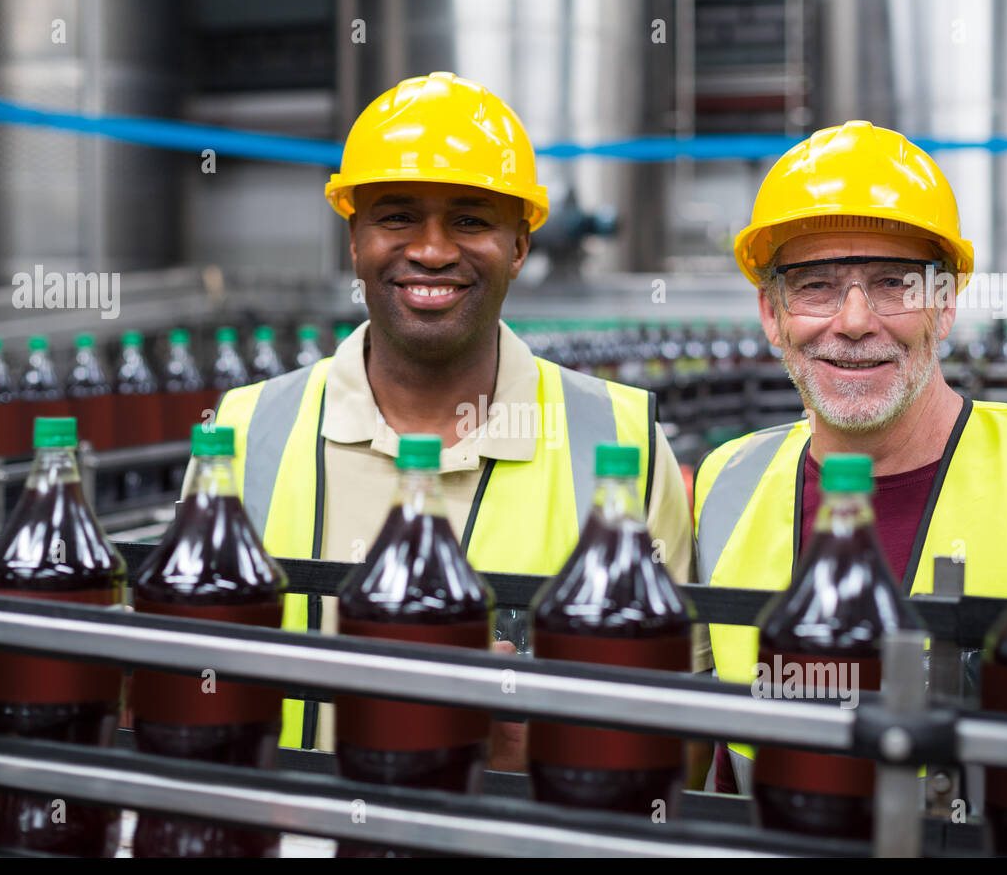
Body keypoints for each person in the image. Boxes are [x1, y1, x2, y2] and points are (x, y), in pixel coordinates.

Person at [214, 72, 694, 770]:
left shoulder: (623, 441)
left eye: (470, 220)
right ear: (355, 239)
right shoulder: (245, 430)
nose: (432, 250)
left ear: (522, 247)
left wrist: (546, 752)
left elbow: (679, 725)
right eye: (397, 216)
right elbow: (176, 681)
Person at [694, 120, 1007, 794]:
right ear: (771, 313)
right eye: (815, 285)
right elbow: (712, 767)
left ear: (943, 306)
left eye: (892, 283)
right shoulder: (725, 486)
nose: (853, 321)